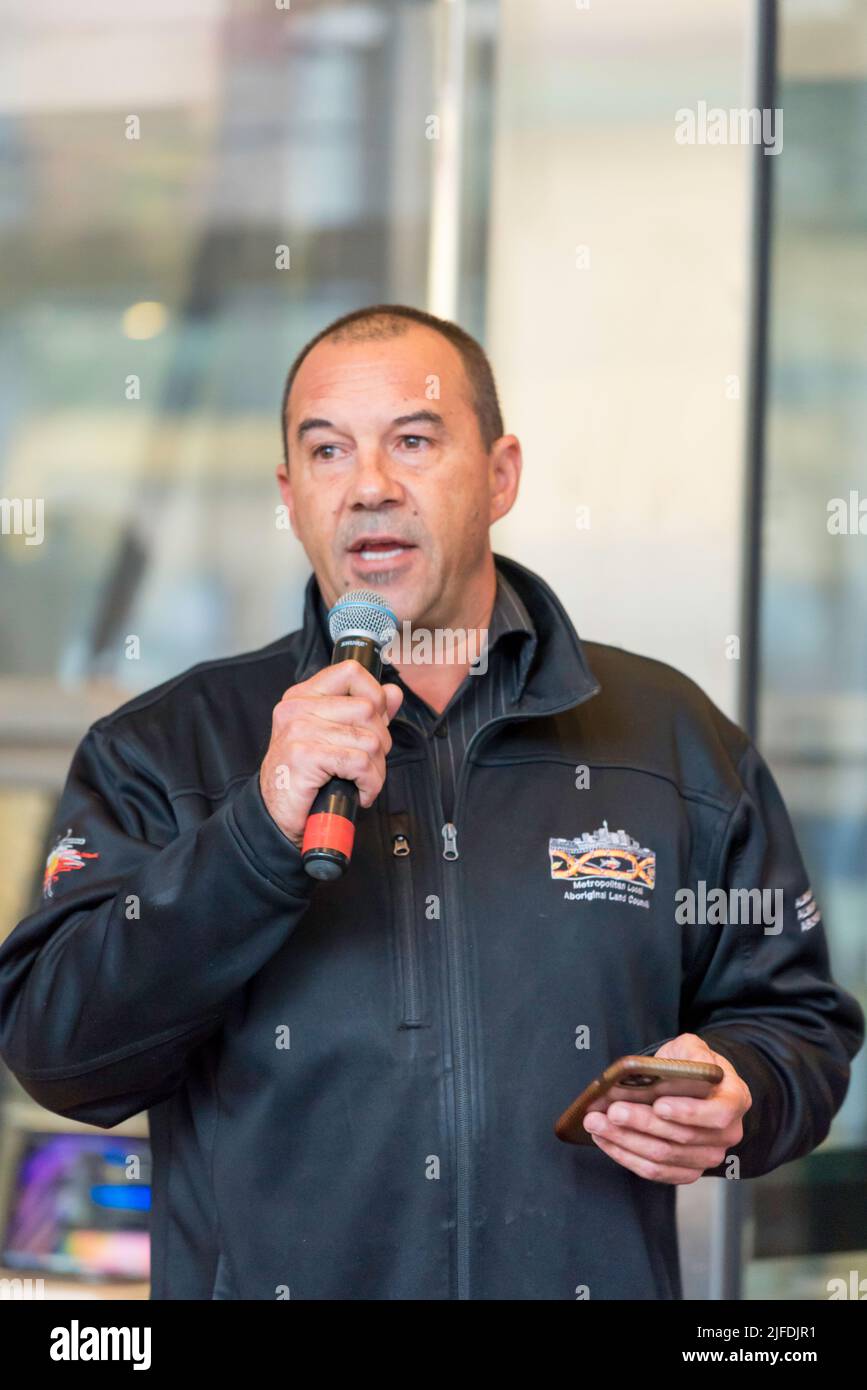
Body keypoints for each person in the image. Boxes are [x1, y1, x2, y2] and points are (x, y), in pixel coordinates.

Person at [0, 304, 862, 1301]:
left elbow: (797, 1021)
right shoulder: (165, 748)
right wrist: (254, 833)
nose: (370, 485)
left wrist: (740, 1094)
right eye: (328, 451)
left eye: (413, 440)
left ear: (500, 476)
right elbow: (59, 1052)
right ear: (292, 493)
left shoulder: (666, 738)